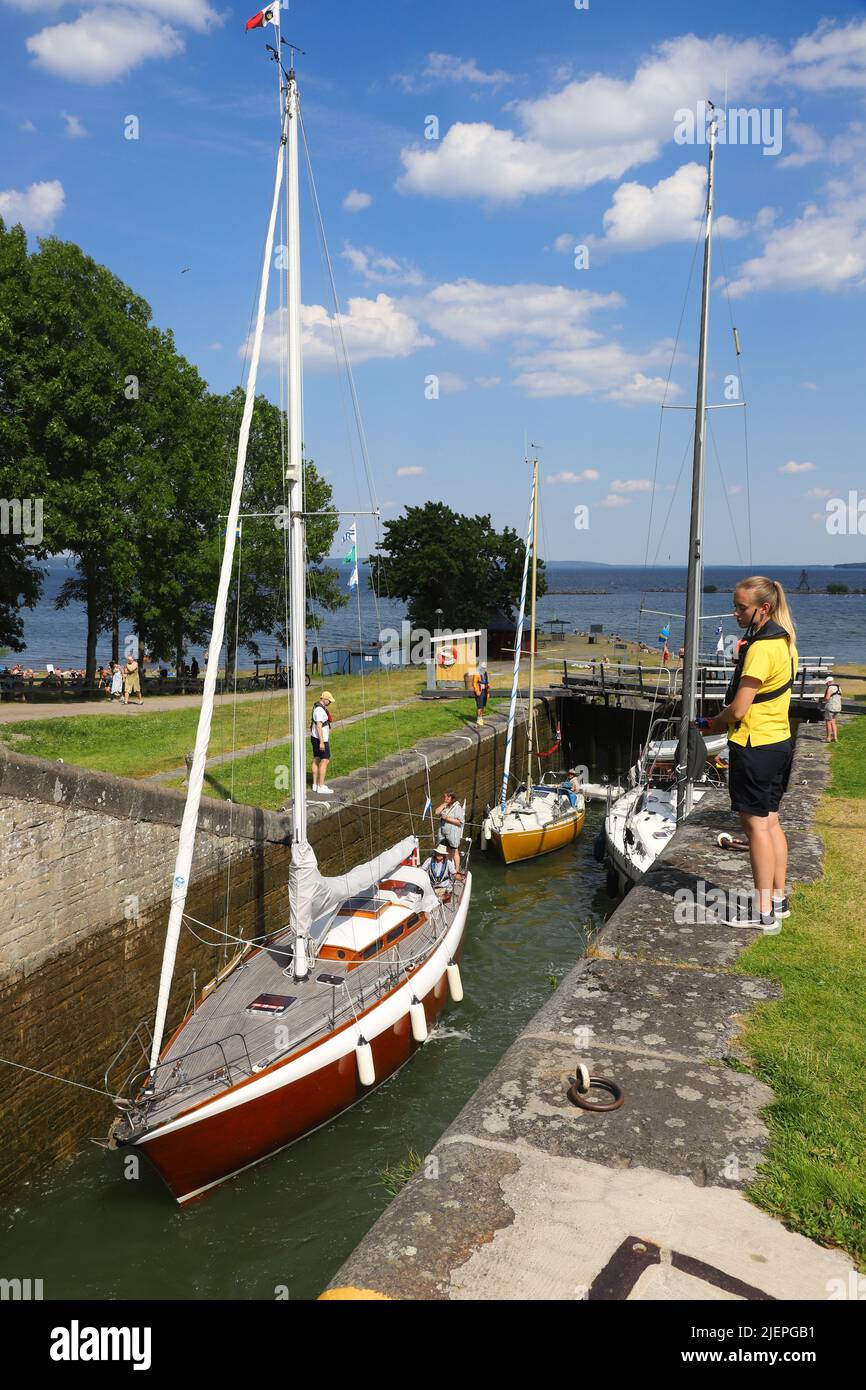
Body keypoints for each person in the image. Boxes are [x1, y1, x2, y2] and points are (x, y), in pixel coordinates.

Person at [706, 575, 799, 932]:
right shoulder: (785, 640)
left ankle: (762, 912)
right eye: (734, 606)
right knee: (771, 821)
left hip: (753, 744)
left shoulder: (761, 648)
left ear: (764, 607)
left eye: (741, 608)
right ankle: (777, 898)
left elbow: (740, 709)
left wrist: (713, 723)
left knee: (756, 826)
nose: (735, 613)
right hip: (779, 742)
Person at [310, 690, 335, 794]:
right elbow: (319, 726)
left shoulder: (316, 707)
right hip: (321, 739)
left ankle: (315, 785)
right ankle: (321, 786)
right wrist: (321, 742)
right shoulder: (320, 710)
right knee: (325, 760)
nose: (330, 703)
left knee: (316, 759)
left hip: (314, 737)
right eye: (329, 700)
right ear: (324, 699)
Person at [434, 790, 465, 872]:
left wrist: (447, 819)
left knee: (455, 851)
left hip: (453, 833)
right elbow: (436, 812)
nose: (446, 798)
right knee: (446, 851)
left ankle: (457, 870)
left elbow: (460, 822)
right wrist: (444, 804)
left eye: (448, 797)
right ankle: (449, 868)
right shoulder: (444, 806)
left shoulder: (457, 808)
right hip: (443, 833)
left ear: (452, 798)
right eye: (445, 796)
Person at [822, 675, 842, 743]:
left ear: (828, 682)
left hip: (830, 707)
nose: (826, 684)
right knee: (833, 722)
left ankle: (828, 738)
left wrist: (822, 700)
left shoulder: (830, 687)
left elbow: (827, 698)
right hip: (838, 707)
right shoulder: (839, 687)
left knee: (828, 722)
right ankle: (835, 738)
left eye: (826, 683)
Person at [472, 662, 490, 727]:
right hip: (479, 691)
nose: (484, 669)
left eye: (485, 668)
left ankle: (481, 718)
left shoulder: (485, 673)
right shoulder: (477, 673)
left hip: (485, 691)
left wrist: (488, 692)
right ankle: (478, 719)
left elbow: (487, 682)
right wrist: (477, 691)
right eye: (483, 668)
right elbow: (474, 683)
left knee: (483, 705)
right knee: (479, 706)